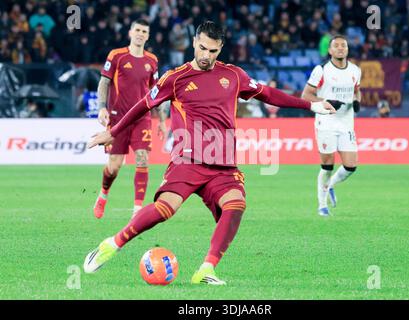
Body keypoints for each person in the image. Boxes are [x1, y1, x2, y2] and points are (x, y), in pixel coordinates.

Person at [83, 21, 335, 285]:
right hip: (188, 160)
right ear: (194, 42)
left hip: (223, 164)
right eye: (202, 48)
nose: (206, 56)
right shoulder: (175, 77)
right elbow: (142, 105)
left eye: (213, 51)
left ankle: (206, 270)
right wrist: (114, 131)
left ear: (221, 48)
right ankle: (111, 244)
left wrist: (311, 105)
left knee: (236, 204)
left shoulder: (234, 75)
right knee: (165, 209)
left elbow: (267, 94)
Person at [93, 19, 167, 219]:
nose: (140, 34)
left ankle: (137, 210)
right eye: (138, 30)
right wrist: (101, 108)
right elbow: (104, 82)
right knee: (114, 166)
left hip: (142, 118)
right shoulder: (116, 55)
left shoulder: (152, 60)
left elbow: (156, 92)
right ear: (130, 32)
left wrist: (161, 120)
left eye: (144, 31)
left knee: (142, 158)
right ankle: (103, 194)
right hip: (118, 118)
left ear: (148, 36)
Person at [302, 34, 362, 217]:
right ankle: (322, 206)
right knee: (327, 164)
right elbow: (306, 96)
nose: (340, 48)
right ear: (330, 50)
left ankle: (330, 187)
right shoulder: (321, 70)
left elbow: (357, 92)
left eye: (343, 45)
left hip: (346, 123)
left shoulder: (355, 70)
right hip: (326, 121)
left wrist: (357, 101)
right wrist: (327, 101)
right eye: (336, 46)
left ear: (347, 49)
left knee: (351, 166)